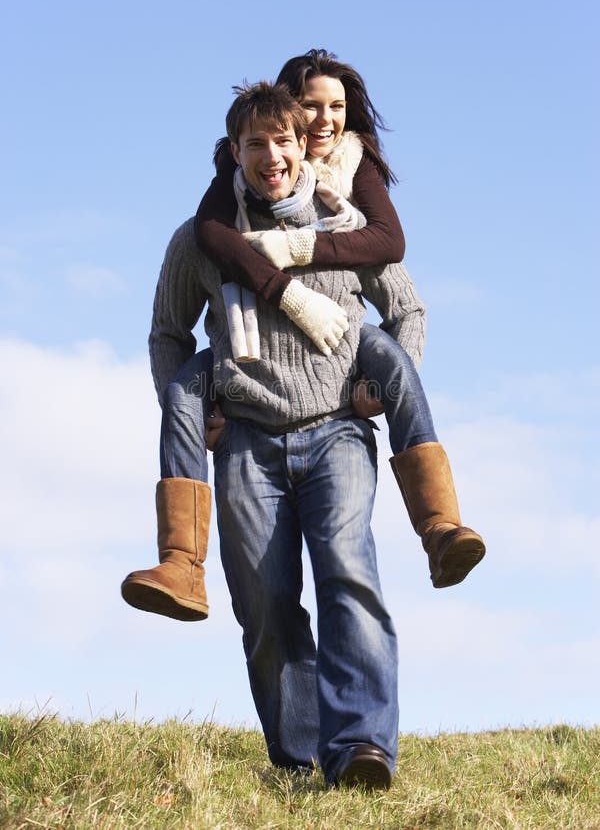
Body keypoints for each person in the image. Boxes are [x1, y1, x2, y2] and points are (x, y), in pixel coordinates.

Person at [133, 81, 431, 787]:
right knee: (265, 605)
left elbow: (409, 310)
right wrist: (196, 411)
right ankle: (299, 760)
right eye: (256, 144)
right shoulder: (201, 242)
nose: (272, 157)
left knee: (349, 575)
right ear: (233, 153)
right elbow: (167, 333)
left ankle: (362, 748)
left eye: (283, 142)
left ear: (305, 148)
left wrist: (379, 394)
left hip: (337, 434)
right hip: (247, 440)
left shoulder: (346, 226)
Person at [121, 50, 484, 626]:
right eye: (308, 109)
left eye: (335, 108)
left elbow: (391, 250)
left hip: (340, 383)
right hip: (246, 399)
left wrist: (304, 249)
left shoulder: (352, 173)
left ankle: (439, 523)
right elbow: (209, 242)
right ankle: (181, 562)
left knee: (386, 352)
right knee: (187, 385)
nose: (322, 122)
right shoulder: (226, 191)